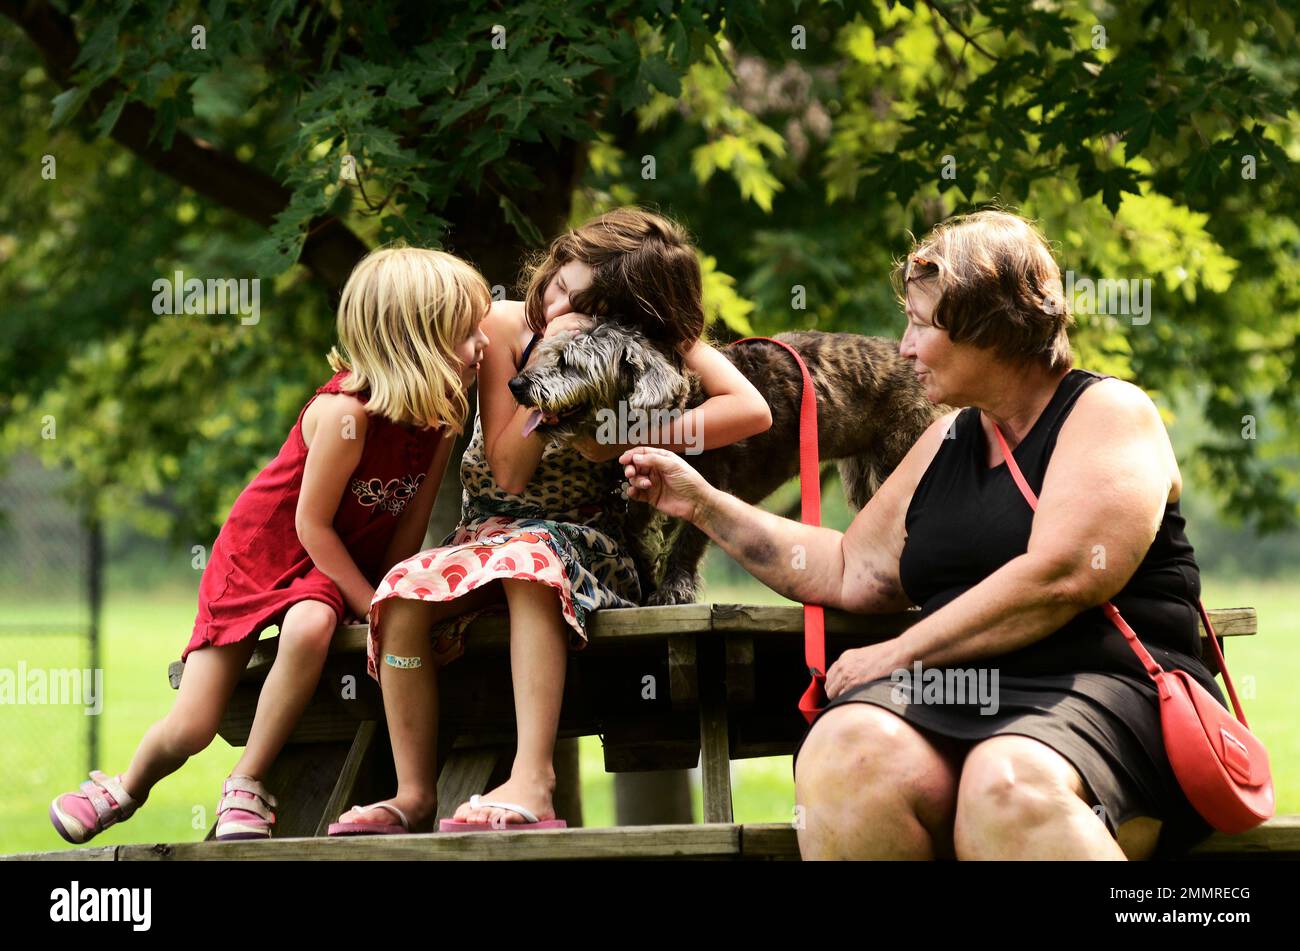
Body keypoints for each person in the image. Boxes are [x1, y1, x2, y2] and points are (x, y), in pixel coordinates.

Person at [619, 209, 1232, 860]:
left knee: (1007, 786)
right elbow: (853, 568)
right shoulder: (947, 439)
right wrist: (704, 503)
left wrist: (898, 653)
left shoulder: (1108, 412)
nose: (903, 346)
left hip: (1100, 691)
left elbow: (1066, 573)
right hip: (960, 690)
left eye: (918, 323)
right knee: (845, 754)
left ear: (986, 325)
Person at [330, 207, 773, 834]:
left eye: (578, 301)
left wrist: (631, 431)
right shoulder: (505, 329)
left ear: (623, 315)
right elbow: (509, 471)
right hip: (486, 535)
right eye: (559, 282)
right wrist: (551, 380)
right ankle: (411, 794)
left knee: (527, 564)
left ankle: (533, 779)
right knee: (401, 596)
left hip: (587, 545)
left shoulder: (649, 337)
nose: (556, 304)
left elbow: (751, 410)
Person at [49, 247, 491, 843]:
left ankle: (247, 781)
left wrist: (391, 599)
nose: (483, 345)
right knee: (194, 725)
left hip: (329, 570)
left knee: (309, 627)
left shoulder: (441, 422)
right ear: (413, 341)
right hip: (261, 560)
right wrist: (371, 605)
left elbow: (405, 530)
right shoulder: (345, 415)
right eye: (466, 333)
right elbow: (310, 526)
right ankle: (124, 787)